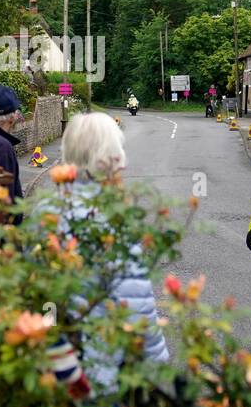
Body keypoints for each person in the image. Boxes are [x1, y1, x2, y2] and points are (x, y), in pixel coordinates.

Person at [57, 112, 169, 389]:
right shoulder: (111, 221)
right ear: (109, 160)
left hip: (55, 368)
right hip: (100, 374)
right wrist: (158, 369)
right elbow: (134, 305)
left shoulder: (46, 213)